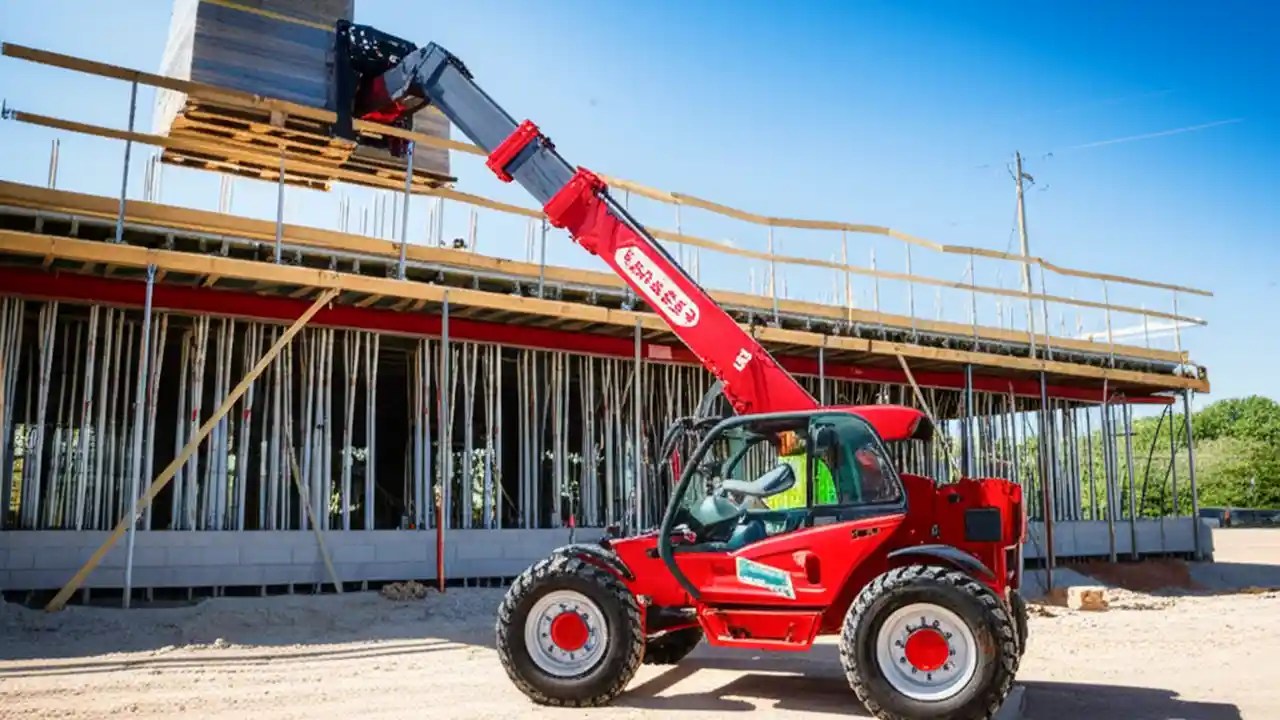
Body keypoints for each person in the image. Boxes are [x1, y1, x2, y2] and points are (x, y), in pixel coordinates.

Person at [767, 430, 837, 509]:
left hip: (779, 520)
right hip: (815, 519)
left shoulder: (773, 470)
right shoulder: (818, 466)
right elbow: (832, 504)